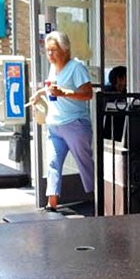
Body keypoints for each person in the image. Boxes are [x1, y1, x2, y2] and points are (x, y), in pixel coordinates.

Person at [32, 31, 94, 211]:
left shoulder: (77, 68)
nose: (50, 54)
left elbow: (88, 94)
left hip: (75, 124)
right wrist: (40, 93)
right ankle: (52, 202)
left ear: (65, 50)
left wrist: (65, 93)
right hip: (54, 125)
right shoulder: (53, 68)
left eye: (53, 50)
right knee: (52, 162)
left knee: (84, 163)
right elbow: (52, 88)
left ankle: (95, 197)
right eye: (48, 50)